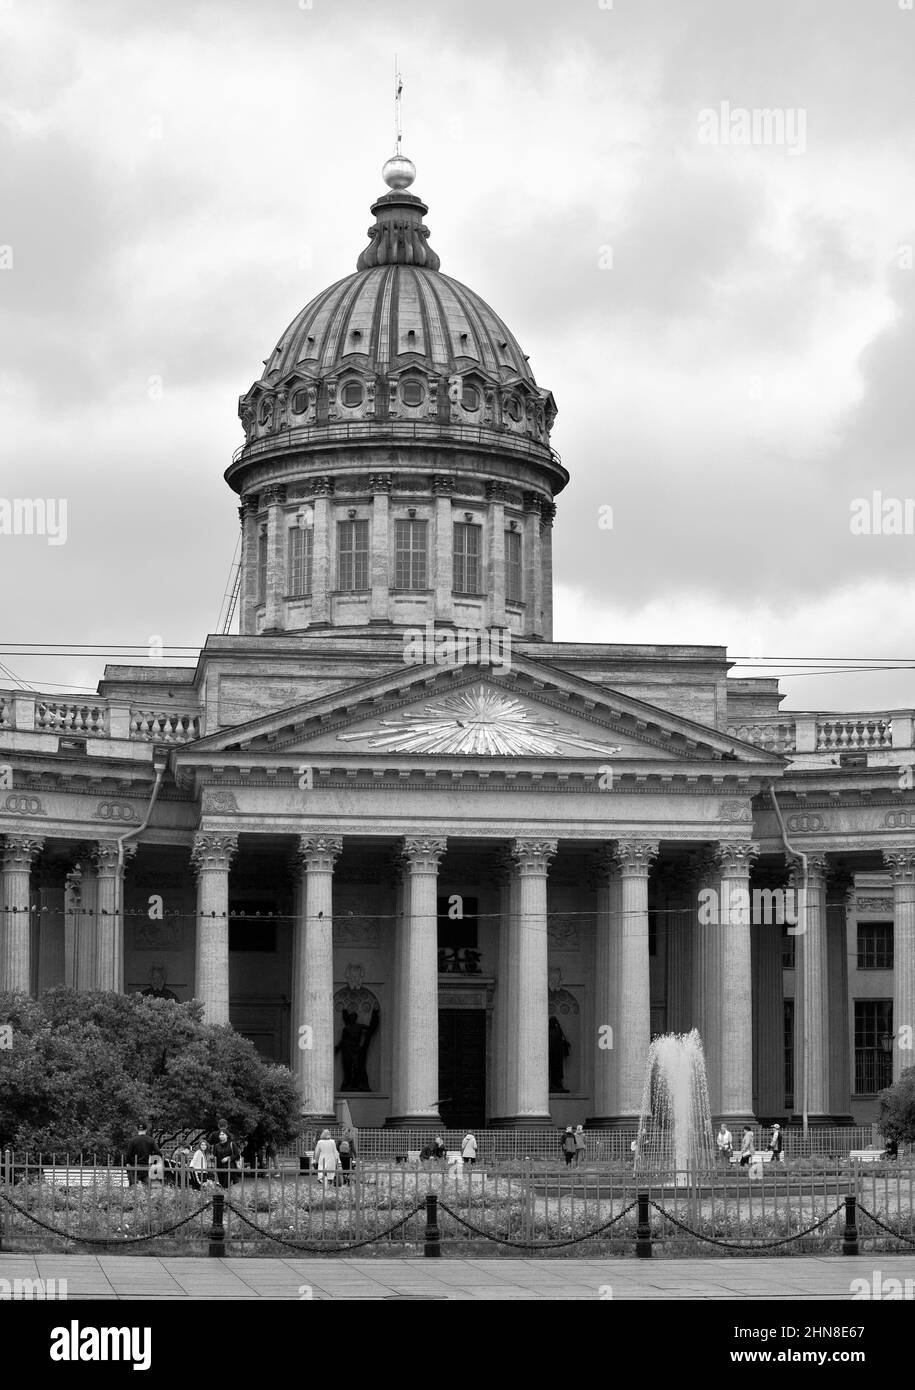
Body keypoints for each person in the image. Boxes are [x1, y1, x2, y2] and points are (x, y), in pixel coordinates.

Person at [123, 1122, 160, 1186]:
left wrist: (128, 1163)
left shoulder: (133, 1140)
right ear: (146, 1130)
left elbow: (128, 1154)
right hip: (147, 1166)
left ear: (137, 1130)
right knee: (147, 1188)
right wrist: (154, 1163)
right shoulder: (151, 1140)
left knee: (133, 1187)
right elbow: (158, 1152)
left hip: (135, 1166)